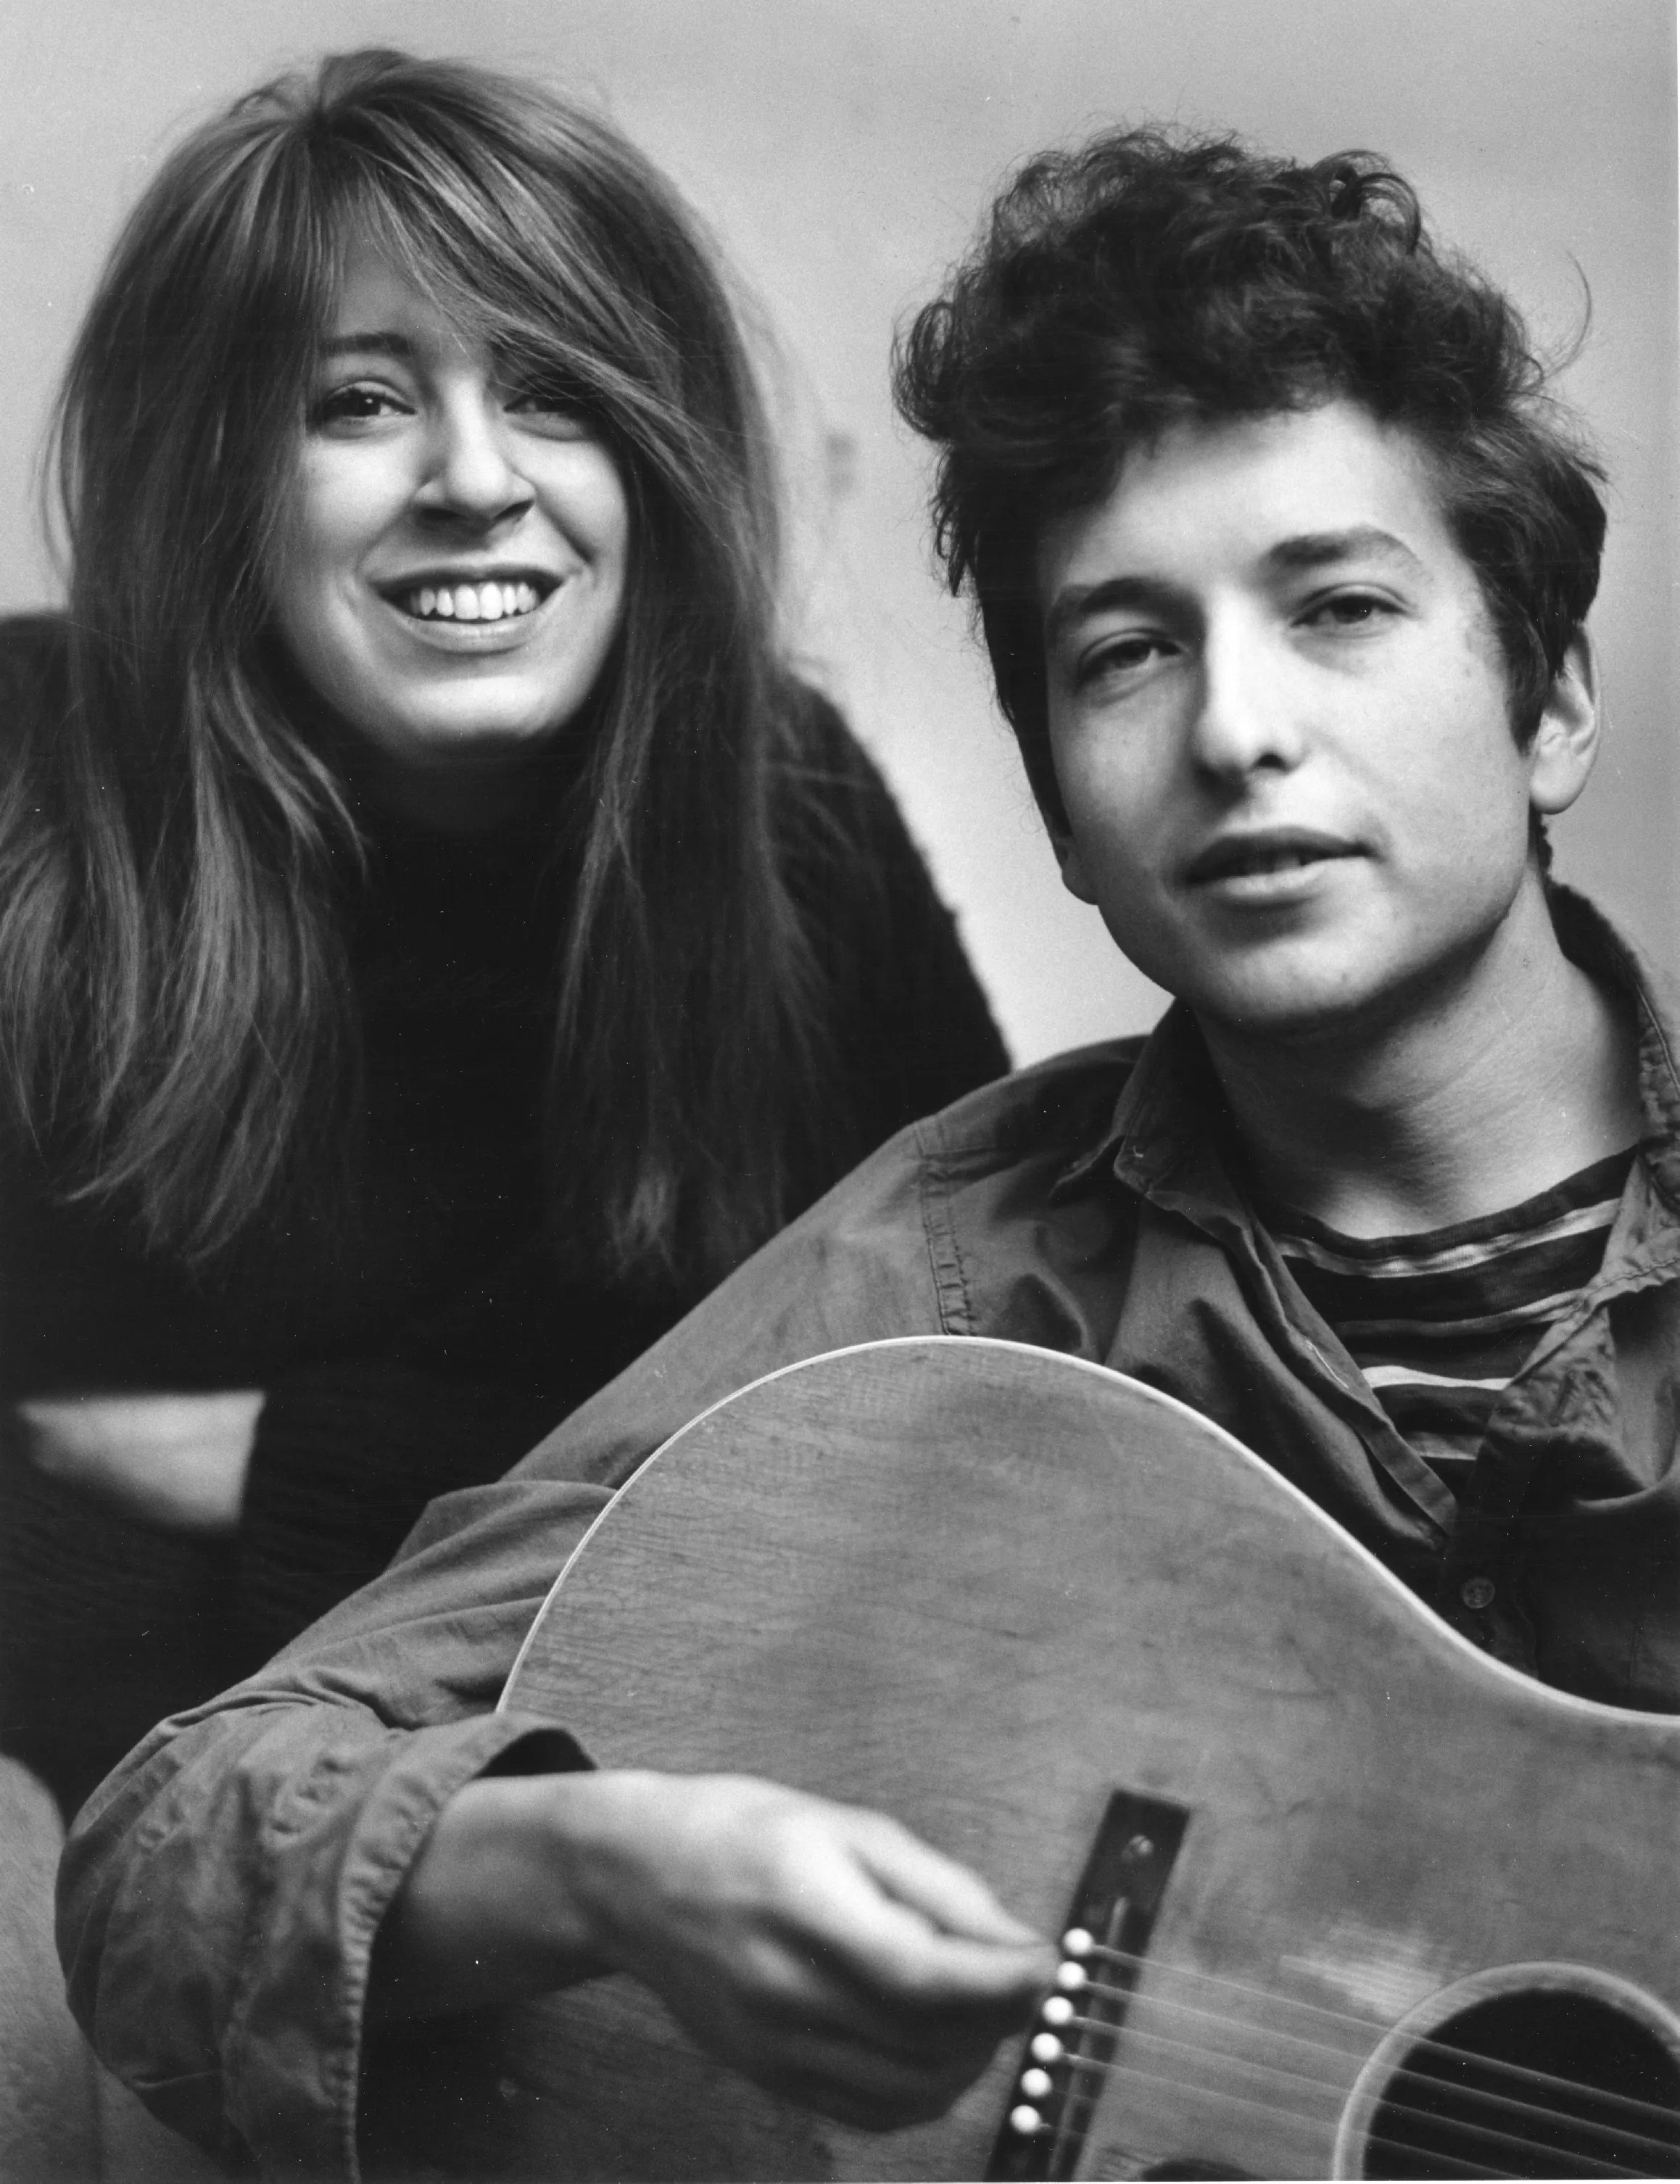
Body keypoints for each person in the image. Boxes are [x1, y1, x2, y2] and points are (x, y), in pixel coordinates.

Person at [59, 126, 1677, 2180]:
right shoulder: (944, 1286)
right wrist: (605, 1860)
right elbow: (169, 1856)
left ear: (1549, 701)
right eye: (1127, 651)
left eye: (1338, 606)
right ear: (1063, 816)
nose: (1237, 730)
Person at [0, 49, 1008, 1821]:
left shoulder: (782, 805)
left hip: (628, 1837)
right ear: (213, 472)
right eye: (359, 404)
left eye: (553, 392)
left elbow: (970, 1425)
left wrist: (295, 1466)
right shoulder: (25, 772)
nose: (476, 479)